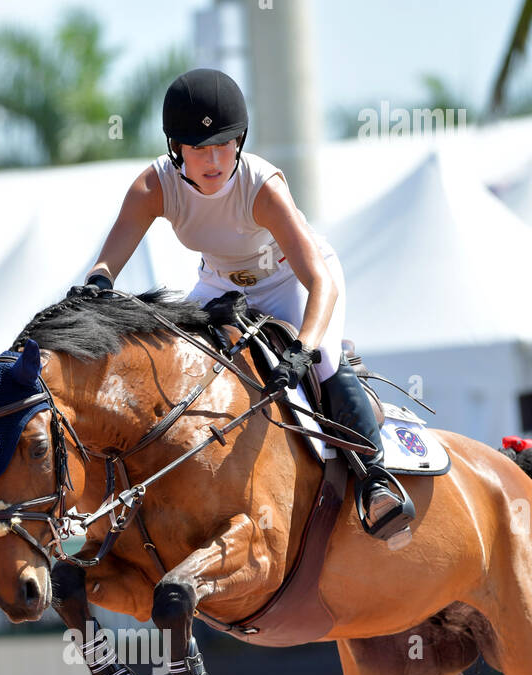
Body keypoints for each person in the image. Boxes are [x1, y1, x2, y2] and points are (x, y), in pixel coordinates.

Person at [84, 68, 415, 547]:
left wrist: (302, 347)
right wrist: (97, 282)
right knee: (178, 358)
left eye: (224, 144)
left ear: (240, 140)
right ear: (176, 148)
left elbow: (319, 281)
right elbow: (108, 258)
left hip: (293, 282)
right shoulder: (155, 186)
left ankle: (376, 480)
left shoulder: (262, 188)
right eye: (199, 148)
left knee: (321, 362)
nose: (214, 160)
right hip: (219, 284)